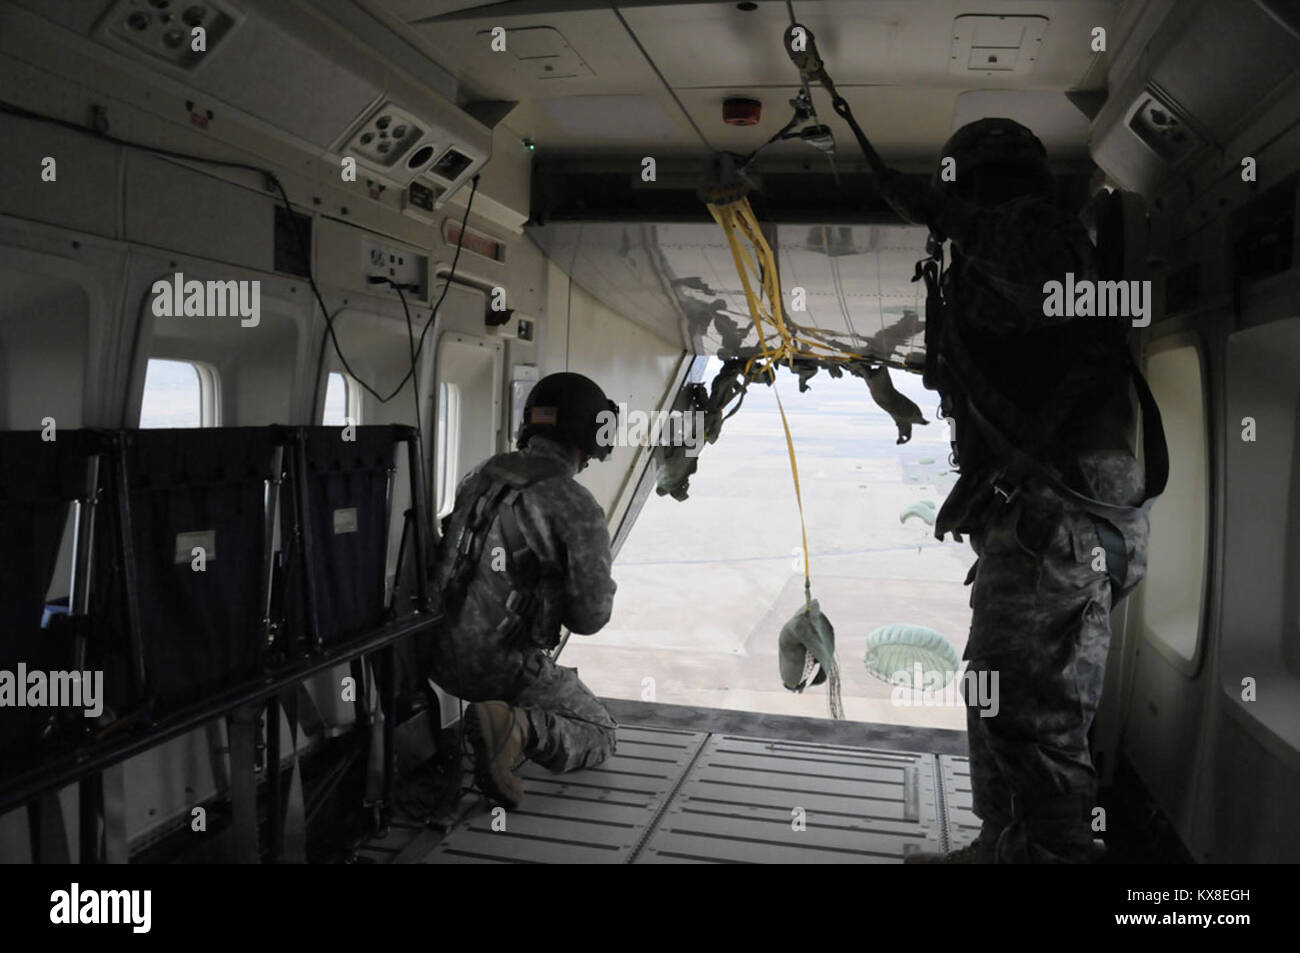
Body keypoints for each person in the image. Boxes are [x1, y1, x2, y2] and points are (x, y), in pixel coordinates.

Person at [877, 119, 1163, 863]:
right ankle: (1002, 842)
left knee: (1034, 715)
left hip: (1064, 509)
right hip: (1043, 508)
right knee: (998, 693)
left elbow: (1046, 281)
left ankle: (1057, 854)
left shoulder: (1036, 230)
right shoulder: (993, 246)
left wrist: (940, 214)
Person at [429, 372, 619, 809]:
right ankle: (513, 727)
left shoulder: (482, 473)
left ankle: (495, 721)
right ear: (589, 435)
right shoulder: (575, 504)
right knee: (601, 731)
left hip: (437, 653)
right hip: (495, 670)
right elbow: (590, 619)